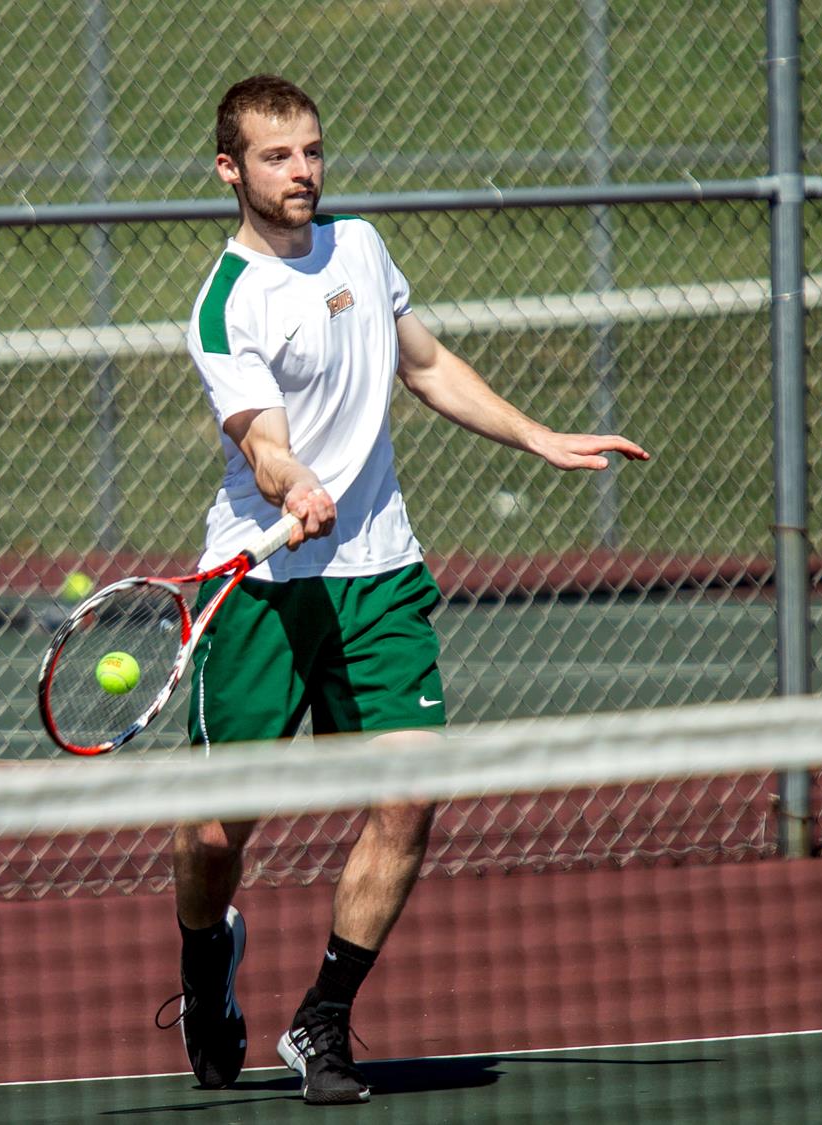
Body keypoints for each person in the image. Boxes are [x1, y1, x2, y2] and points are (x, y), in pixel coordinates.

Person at [166, 74, 650, 1106]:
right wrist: (295, 486)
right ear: (228, 170)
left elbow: (423, 364)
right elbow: (261, 444)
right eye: (276, 156)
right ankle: (205, 966)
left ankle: (323, 1020)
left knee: (407, 795)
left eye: (310, 151)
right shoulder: (224, 306)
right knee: (213, 836)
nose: (302, 171)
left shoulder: (363, 247)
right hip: (259, 587)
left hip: (378, 575)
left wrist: (537, 436)